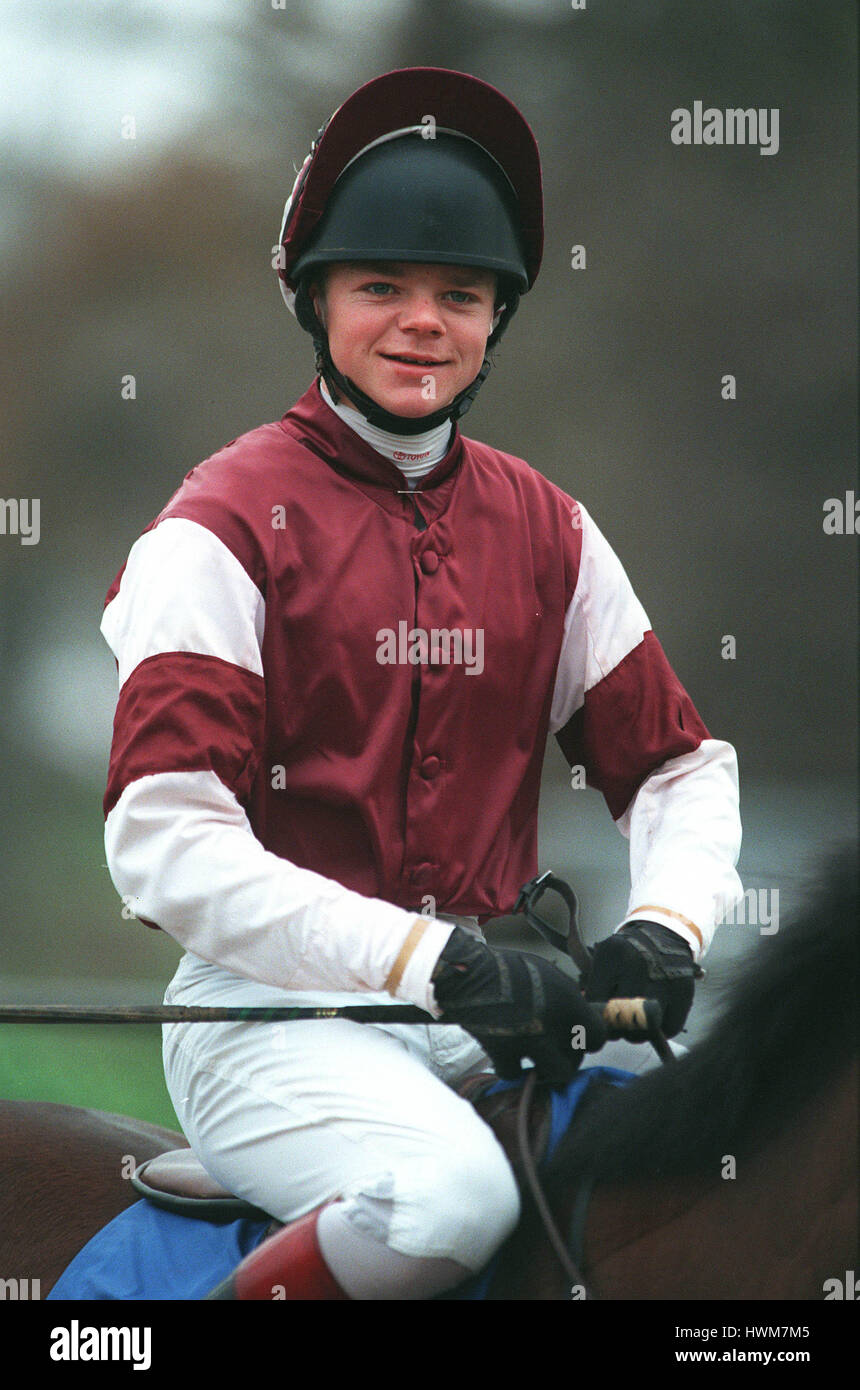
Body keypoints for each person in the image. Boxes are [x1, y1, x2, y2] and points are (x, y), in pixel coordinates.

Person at [101, 67, 742, 1300]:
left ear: (495, 317)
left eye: (458, 295)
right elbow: (164, 844)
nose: (421, 323)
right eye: (381, 287)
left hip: (483, 1005)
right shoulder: (218, 525)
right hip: (262, 1023)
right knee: (447, 1199)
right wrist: (426, 960)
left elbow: (675, 768)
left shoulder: (550, 529)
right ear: (317, 299)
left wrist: (666, 928)